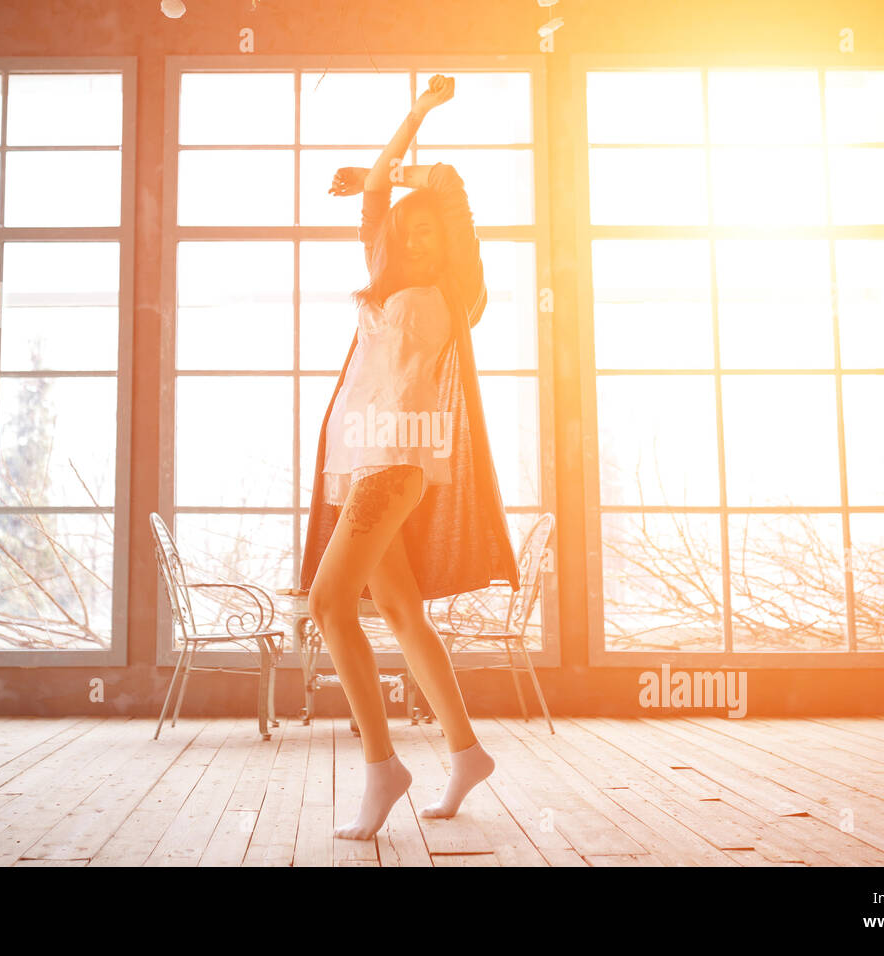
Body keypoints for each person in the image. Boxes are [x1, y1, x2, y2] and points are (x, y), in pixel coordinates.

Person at [300, 75, 521, 840]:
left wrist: (424, 116)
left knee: (330, 606)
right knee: (395, 609)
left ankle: (382, 767)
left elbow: (446, 188)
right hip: (362, 459)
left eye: (431, 231)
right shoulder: (379, 271)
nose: (419, 237)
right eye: (410, 230)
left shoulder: (456, 294)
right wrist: (376, 181)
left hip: (399, 462)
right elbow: (380, 201)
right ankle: (466, 752)